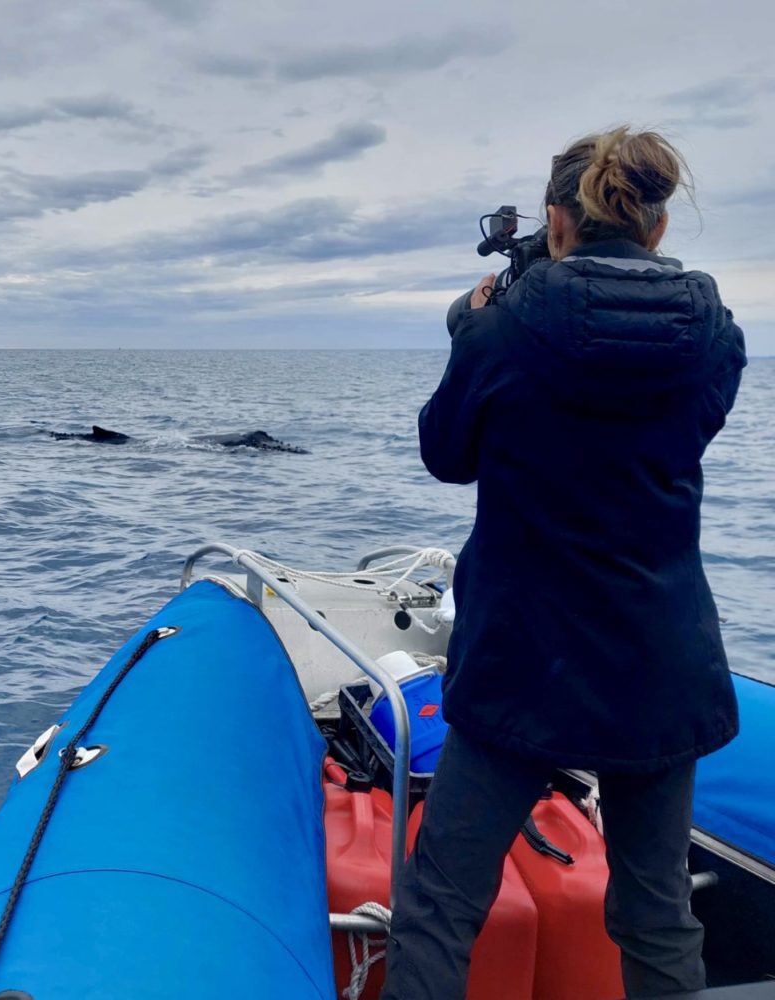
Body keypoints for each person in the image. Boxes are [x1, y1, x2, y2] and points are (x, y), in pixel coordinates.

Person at [381, 127, 747, 999]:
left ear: (554, 221)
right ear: (656, 228)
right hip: (659, 660)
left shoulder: (503, 333)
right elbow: (684, 430)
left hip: (520, 658)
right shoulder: (716, 335)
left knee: (441, 903)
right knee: (658, 911)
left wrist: (473, 331)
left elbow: (447, 454)